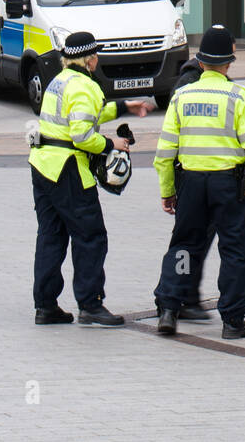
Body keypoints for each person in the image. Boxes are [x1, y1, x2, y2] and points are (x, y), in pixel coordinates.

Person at [154, 25, 245, 339]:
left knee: (183, 247)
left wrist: (168, 190)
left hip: (190, 184)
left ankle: (169, 307)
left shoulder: (181, 96)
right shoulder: (238, 97)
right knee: (235, 251)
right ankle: (233, 320)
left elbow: (165, 151)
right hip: (228, 186)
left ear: (202, 60)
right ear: (228, 63)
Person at [28, 32, 153, 327]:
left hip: (42, 164)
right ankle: (91, 304)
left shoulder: (59, 80)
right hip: (68, 169)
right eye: (96, 57)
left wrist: (124, 106)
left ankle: (45, 306)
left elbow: (86, 114)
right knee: (91, 236)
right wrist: (112, 145)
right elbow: (82, 134)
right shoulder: (84, 86)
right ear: (90, 59)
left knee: (51, 236)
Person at [155, 52, 222, 323]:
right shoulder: (189, 84)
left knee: (189, 243)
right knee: (189, 243)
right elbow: (171, 141)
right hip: (197, 179)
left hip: (192, 180)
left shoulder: (190, 83)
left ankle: (179, 297)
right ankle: (177, 297)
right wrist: (168, 188)